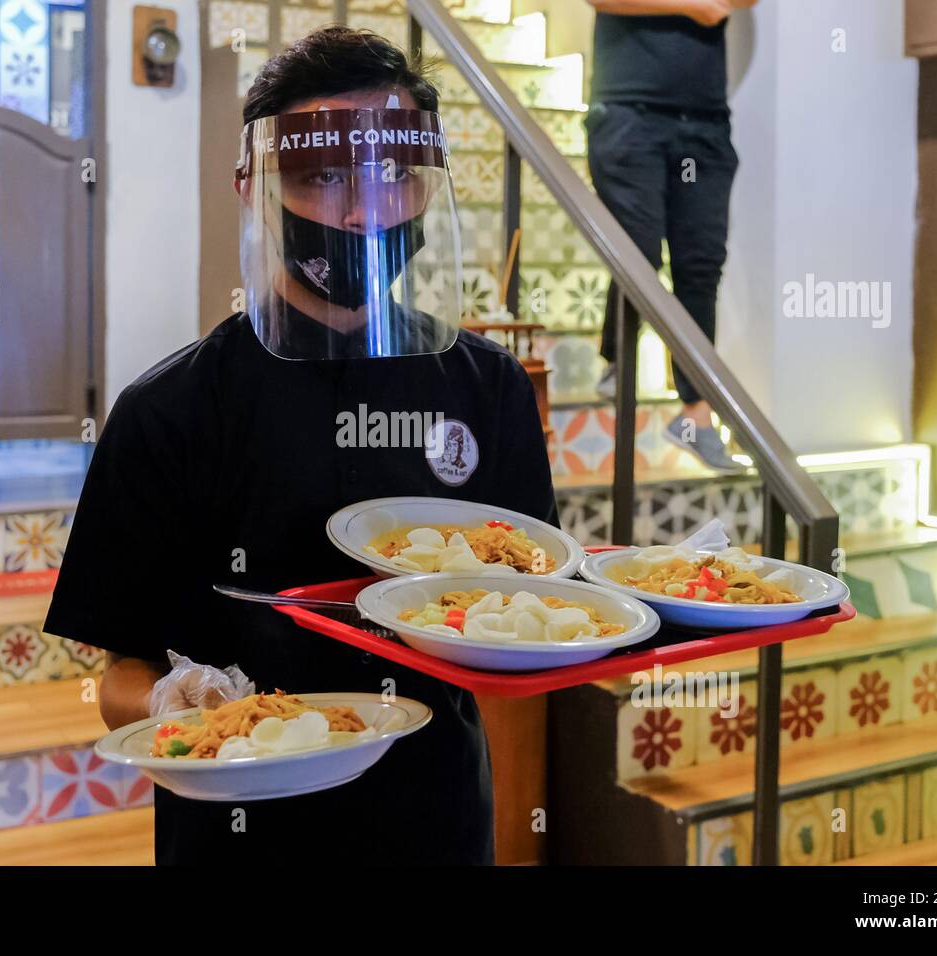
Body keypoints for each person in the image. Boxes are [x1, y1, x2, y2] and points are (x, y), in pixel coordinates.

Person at [43, 27, 557, 865]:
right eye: (323, 176)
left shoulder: (489, 391)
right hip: (238, 829)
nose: (362, 210)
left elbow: (533, 606)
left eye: (390, 175)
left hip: (434, 813)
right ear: (254, 187)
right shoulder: (168, 412)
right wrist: (186, 702)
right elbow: (119, 680)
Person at [586, 0, 757, 473]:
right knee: (638, 254)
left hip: (704, 121)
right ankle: (619, 354)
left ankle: (695, 415)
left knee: (700, 265)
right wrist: (694, 6)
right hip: (627, 112)